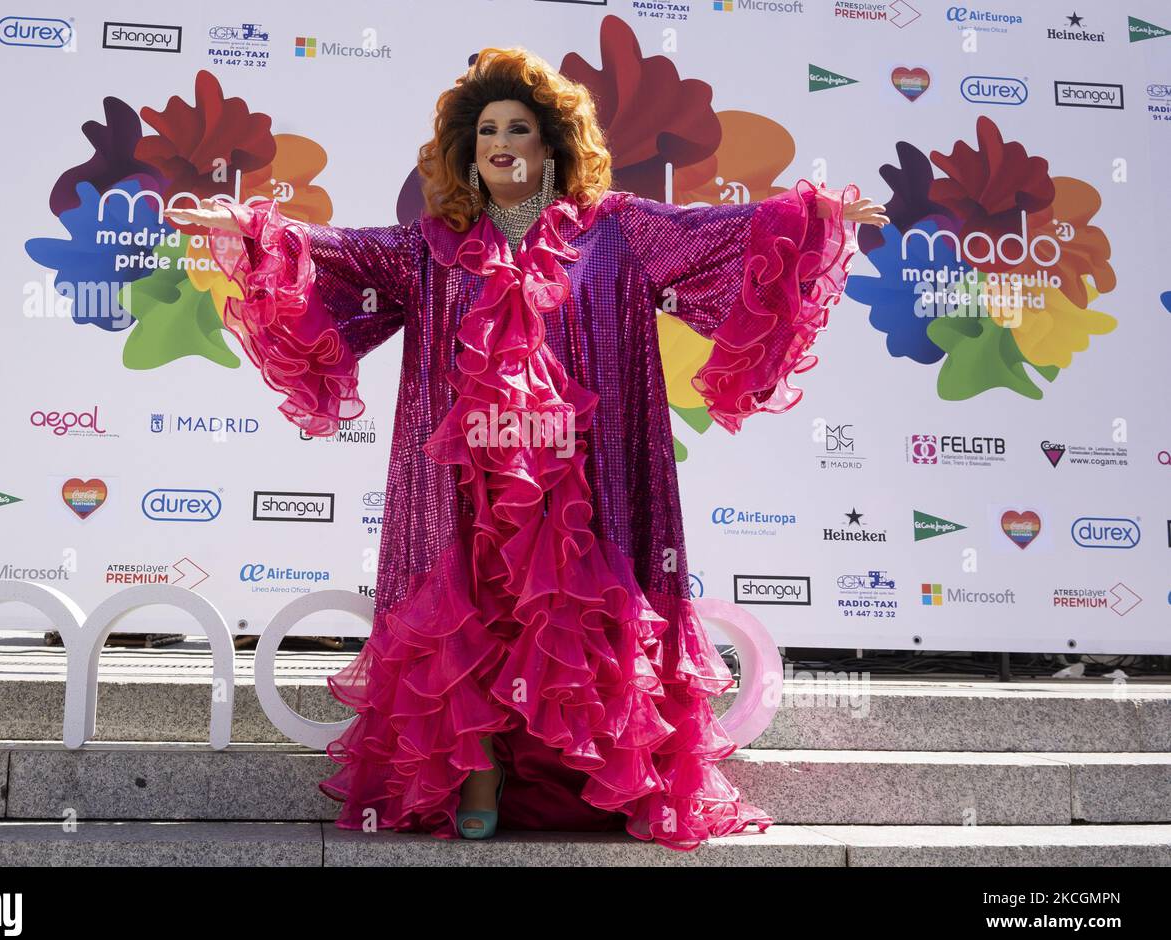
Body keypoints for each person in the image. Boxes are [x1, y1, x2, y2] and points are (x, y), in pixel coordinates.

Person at [167, 46, 888, 851]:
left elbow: (716, 233)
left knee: (572, 612)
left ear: (553, 145)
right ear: (466, 155)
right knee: (472, 607)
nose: (502, 142)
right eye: (485, 132)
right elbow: (335, 254)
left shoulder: (618, 229)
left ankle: (606, 765)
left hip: (586, 481)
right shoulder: (431, 248)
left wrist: (814, 220)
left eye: (519, 127)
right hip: (468, 480)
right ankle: (477, 765)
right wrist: (248, 230)